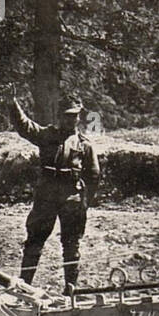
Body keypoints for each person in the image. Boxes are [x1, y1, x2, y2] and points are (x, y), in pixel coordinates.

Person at [10, 95, 100, 295]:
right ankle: (24, 287)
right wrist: (13, 104)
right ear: (60, 116)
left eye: (74, 116)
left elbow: (93, 175)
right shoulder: (47, 135)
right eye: (67, 116)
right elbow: (24, 126)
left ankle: (70, 289)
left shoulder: (85, 144)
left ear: (79, 117)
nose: (70, 119)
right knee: (34, 241)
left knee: (72, 245)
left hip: (72, 199)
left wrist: (85, 202)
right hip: (46, 197)